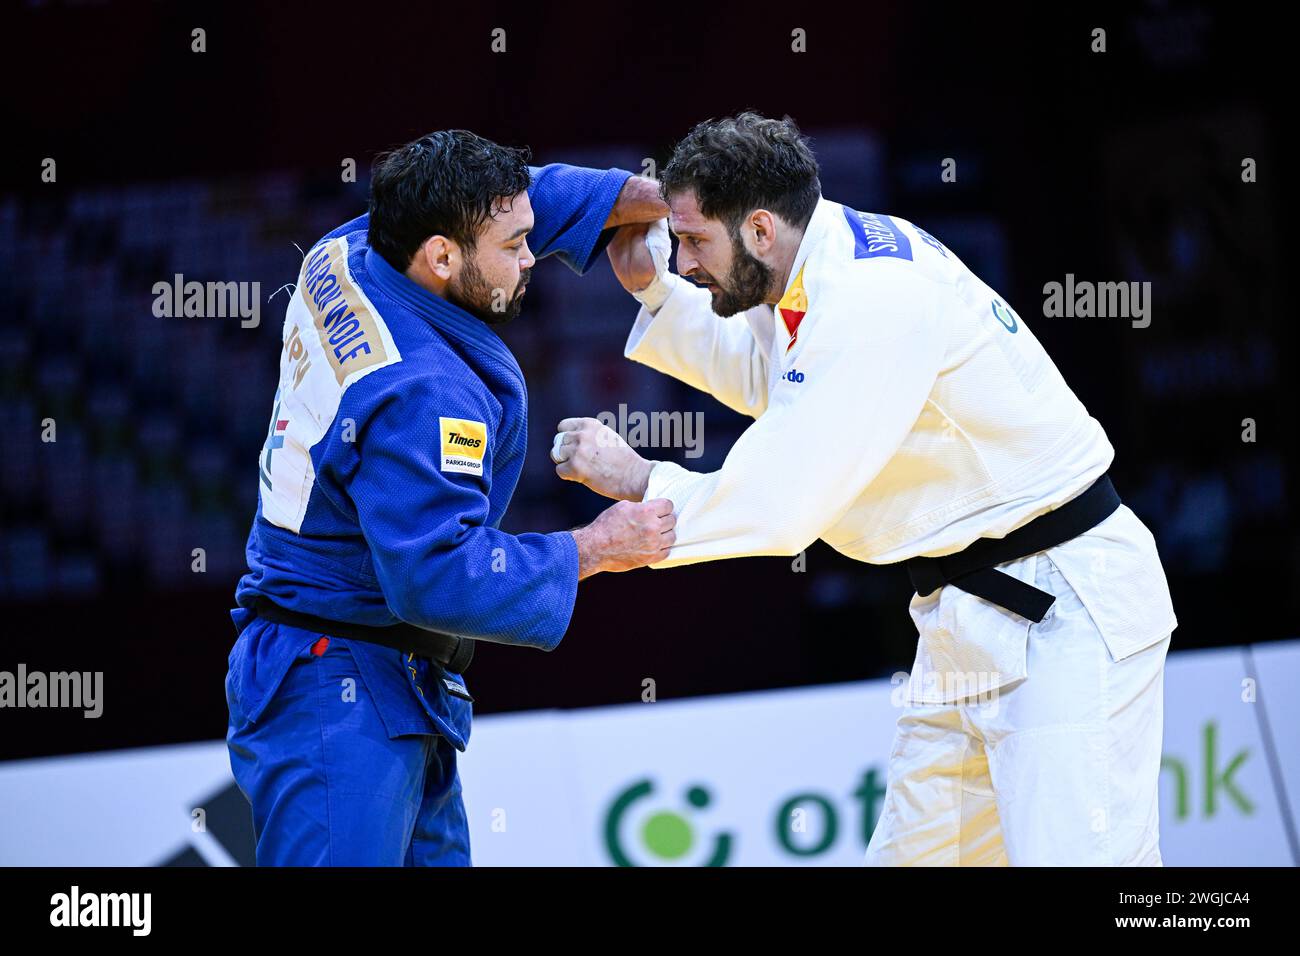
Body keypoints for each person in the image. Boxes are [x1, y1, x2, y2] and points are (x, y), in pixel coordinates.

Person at [551, 111, 1177, 866]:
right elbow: (778, 387)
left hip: (1064, 606)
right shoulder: (816, 258)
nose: (682, 260)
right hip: (965, 612)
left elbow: (783, 507)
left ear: (756, 230)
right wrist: (658, 297)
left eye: (692, 242)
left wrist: (640, 479)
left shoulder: (869, 297)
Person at [226, 129, 675, 866]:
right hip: (333, 686)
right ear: (441, 256)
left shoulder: (346, 251)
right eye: (516, 247)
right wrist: (593, 548)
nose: (532, 258)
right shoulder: (426, 393)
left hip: (362, 668)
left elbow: (514, 195)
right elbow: (436, 576)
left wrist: (662, 203)